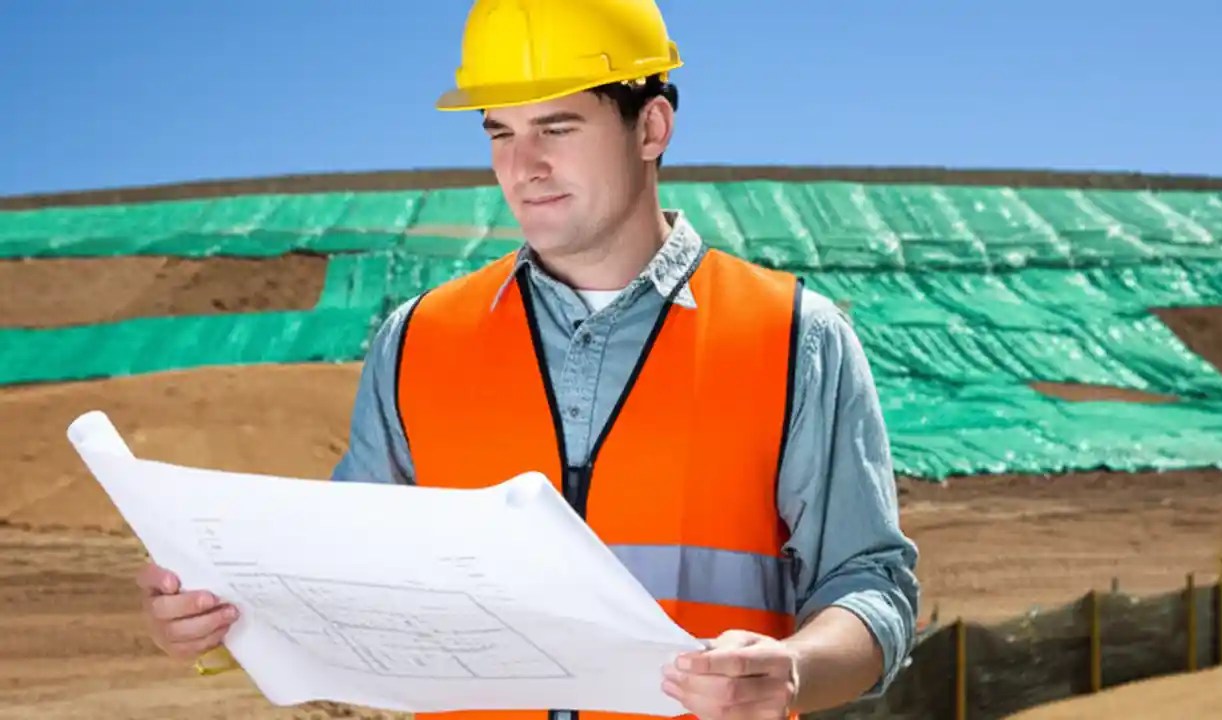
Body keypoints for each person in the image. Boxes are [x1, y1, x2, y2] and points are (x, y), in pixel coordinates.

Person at [133, 1, 920, 718]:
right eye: (500, 132)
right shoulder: (417, 341)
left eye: (558, 127)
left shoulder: (792, 337)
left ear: (650, 129)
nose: (523, 165)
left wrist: (793, 669)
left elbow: (871, 586)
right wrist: (219, 616)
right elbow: (350, 591)